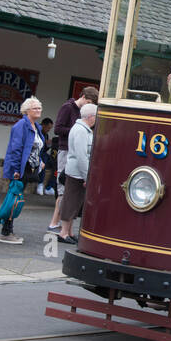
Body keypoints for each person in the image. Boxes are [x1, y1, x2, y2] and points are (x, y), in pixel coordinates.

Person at [51, 86, 98, 234]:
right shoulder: (68, 108)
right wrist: (75, 130)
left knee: (70, 193)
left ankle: (64, 227)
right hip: (66, 150)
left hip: (71, 150)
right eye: (88, 102)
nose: (89, 105)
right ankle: (55, 223)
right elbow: (57, 129)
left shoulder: (81, 117)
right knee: (64, 190)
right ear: (83, 97)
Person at [0, 96, 46, 244]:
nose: (38, 110)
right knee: (13, 199)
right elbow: (16, 149)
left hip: (30, 168)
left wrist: (41, 161)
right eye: (35, 108)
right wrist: (15, 169)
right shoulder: (21, 125)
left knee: (17, 199)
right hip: (20, 168)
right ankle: (6, 232)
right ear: (27, 111)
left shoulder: (37, 127)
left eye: (39, 108)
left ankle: (8, 229)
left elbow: (36, 149)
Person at [57, 102, 96, 245]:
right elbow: (81, 156)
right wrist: (87, 176)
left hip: (77, 172)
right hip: (76, 173)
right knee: (71, 201)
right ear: (91, 117)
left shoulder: (82, 129)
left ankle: (70, 232)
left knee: (75, 202)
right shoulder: (81, 130)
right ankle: (63, 233)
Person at [36, 118, 56, 196]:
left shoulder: (46, 134)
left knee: (52, 161)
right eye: (48, 128)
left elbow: (44, 149)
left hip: (42, 153)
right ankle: (40, 183)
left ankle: (49, 186)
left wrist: (48, 145)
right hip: (36, 154)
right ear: (43, 125)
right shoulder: (37, 132)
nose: (48, 130)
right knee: (44, 159)